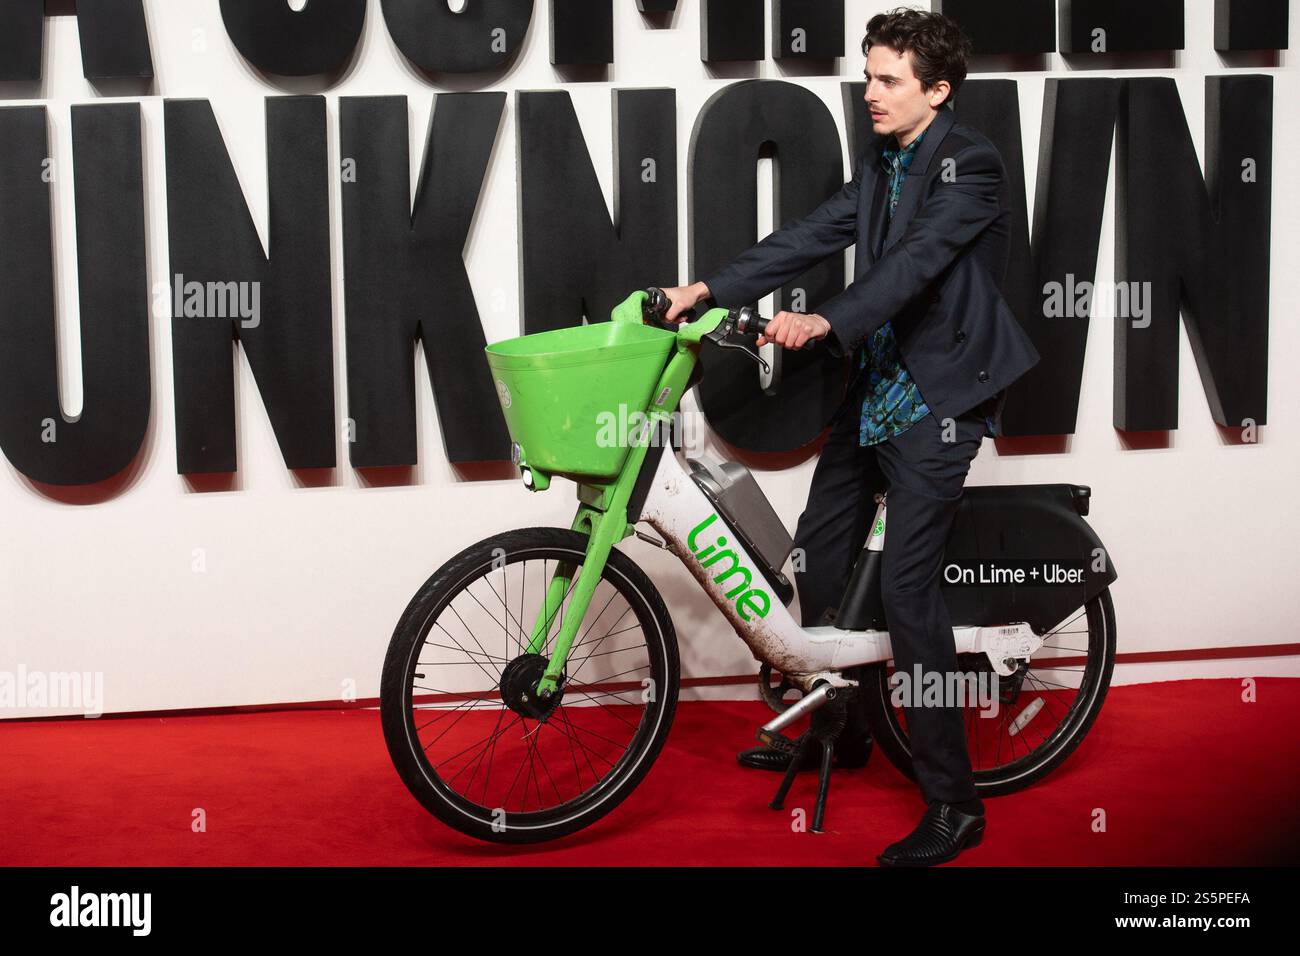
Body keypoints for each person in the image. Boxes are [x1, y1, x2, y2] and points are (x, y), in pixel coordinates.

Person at [659, 7, 1040, 866]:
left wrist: (826, 321)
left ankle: (955, 800)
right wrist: (708, 287)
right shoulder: (882, 161)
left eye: (887, 80)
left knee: (906, 592)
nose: (867, 92)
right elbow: (811, 235)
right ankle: (852, 728)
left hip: (940, 395)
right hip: (876, 389)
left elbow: (914, 268)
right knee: (820, 564)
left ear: (937, 91)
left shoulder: (969, 164)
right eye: (867, 76)